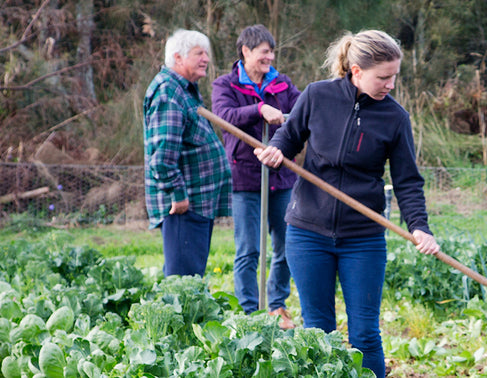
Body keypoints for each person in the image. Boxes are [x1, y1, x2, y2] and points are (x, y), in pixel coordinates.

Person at [254, 30, 439, 378]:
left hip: (363, 238)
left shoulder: (395, 118)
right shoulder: (317, 96)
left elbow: (407, 181)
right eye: (383, 77)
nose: (391, 84)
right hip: (308, 232)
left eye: (394, 76)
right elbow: (289, 135)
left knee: (365, 335)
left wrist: (419, 226)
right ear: (356, 70)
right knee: (318, 331)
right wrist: (277, 150)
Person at [211, 24, 302, 329]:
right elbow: (225, 116)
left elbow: (301, 112)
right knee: (249, 248)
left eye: (272, 52)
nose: (270, 58)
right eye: (264, 52)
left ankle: (277, 305)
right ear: (246, 51)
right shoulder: (225, 84)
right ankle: (249, 313)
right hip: (245, 177)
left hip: (281, 176)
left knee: (286, 245)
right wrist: (259, 109)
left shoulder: (283, 84)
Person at [143, 29, 232, 277]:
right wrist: (178, 194)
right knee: (183, 283)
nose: (206, 58)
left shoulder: (184, 90)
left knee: (189, 278)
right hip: (184, 206)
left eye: (206, 53)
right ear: (178, 58)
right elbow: (161, 158)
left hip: (196, 203)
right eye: (198, 53)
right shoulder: (169, 93)